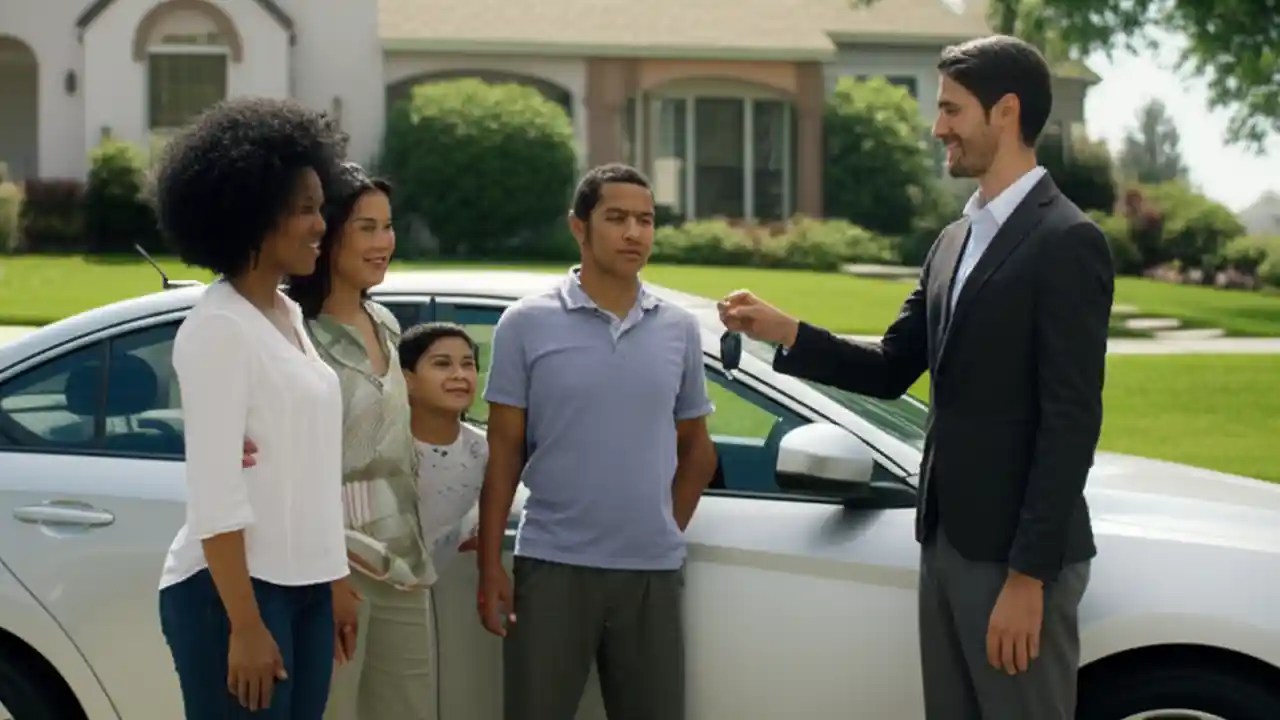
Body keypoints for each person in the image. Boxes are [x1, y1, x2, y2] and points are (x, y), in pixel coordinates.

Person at [718, 35, 1113, 720]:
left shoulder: (1067, 241)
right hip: (945, 543)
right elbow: (891, 367)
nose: (938, 129)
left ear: (1006, 111)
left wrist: (1028, 575)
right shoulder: (953, 242)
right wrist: (788, 334)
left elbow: (1070, 419)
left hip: (1013, 558)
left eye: (951, 110)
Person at [476, 163, 719, 720]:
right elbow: (505, 453)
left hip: (651, 575)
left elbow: (698, 451)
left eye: (646, 220)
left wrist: (659, 526)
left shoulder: (679, 328)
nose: (635, 233)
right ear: (579, 227)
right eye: (617, 218)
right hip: (552, 566)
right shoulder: (524, 324)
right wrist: (492, 568)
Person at [155, 96, 350, 719]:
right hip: (231, 597)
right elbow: (215, 494)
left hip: (305, 587)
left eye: (322, 208)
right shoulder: (220, 329)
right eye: (304, 211)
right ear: (250, 218)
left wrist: (335, 578)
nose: (322, 225)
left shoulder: (288, 314)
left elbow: (309, 465)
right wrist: (244, 624)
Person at [283, 162, 436, 720]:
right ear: (327, 233)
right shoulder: (295, 334)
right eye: (366, 227)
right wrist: (332, 578)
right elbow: (294, 467)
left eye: (388, 226)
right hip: (332, 564)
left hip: (402, 561)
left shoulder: (388, 325)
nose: (383, 242)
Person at [399, 322, 487, 582]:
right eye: (442, 364)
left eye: (468, 364)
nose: (459, 375)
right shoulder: (385, 451)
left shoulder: (483, 451)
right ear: (407, 380)